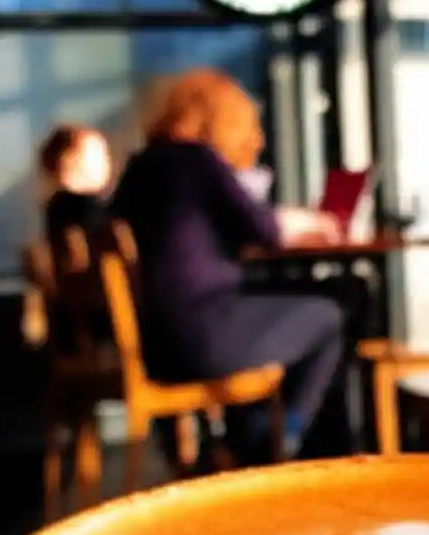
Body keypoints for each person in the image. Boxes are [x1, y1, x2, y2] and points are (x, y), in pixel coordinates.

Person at [110, 68, 343, 463]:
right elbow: (265, 230)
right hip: (200, 336)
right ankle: (277, 442)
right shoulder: (197, 160)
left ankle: (249, 439)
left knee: (264, 309)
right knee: (329, 314)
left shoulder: (140, 168)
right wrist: (310, 221)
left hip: (156, 343)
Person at [23, 124, 114, 347]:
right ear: (70, 161)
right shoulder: (86, 210)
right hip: (105, 325)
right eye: (101, 155)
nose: (108, 162)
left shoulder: (55, 211)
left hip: (74, 331)